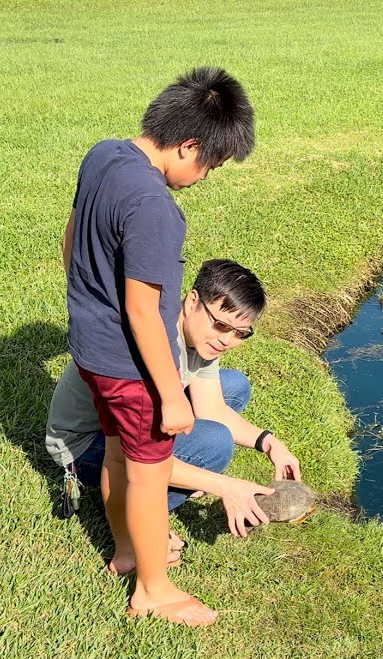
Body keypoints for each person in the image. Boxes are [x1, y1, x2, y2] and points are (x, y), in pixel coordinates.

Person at [63, 67, 254, 626]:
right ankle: (153, 589)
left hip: (91, 348)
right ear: (189, 145)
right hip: (131, 365)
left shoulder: (103, 156)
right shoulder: (156, 209)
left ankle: (126, 550)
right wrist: (171, 394)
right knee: (148, 470)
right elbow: (145, 310)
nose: (206, 175)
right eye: (211, 165)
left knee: (119, 453)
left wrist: (85, 301)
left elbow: (72, 238)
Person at [46, 259, 302, 542]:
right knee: (216, 443)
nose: (227, 340)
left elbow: (212, 407)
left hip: (126, 423)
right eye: (220, 325)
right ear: (193, 301)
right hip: (87, 447)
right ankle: (137, 516)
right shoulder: (157, 345)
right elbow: (138, 453)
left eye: (240, 333)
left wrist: (269, 442)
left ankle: (175, 480)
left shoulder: (201, 339)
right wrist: (226, 486)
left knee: (233, 386)